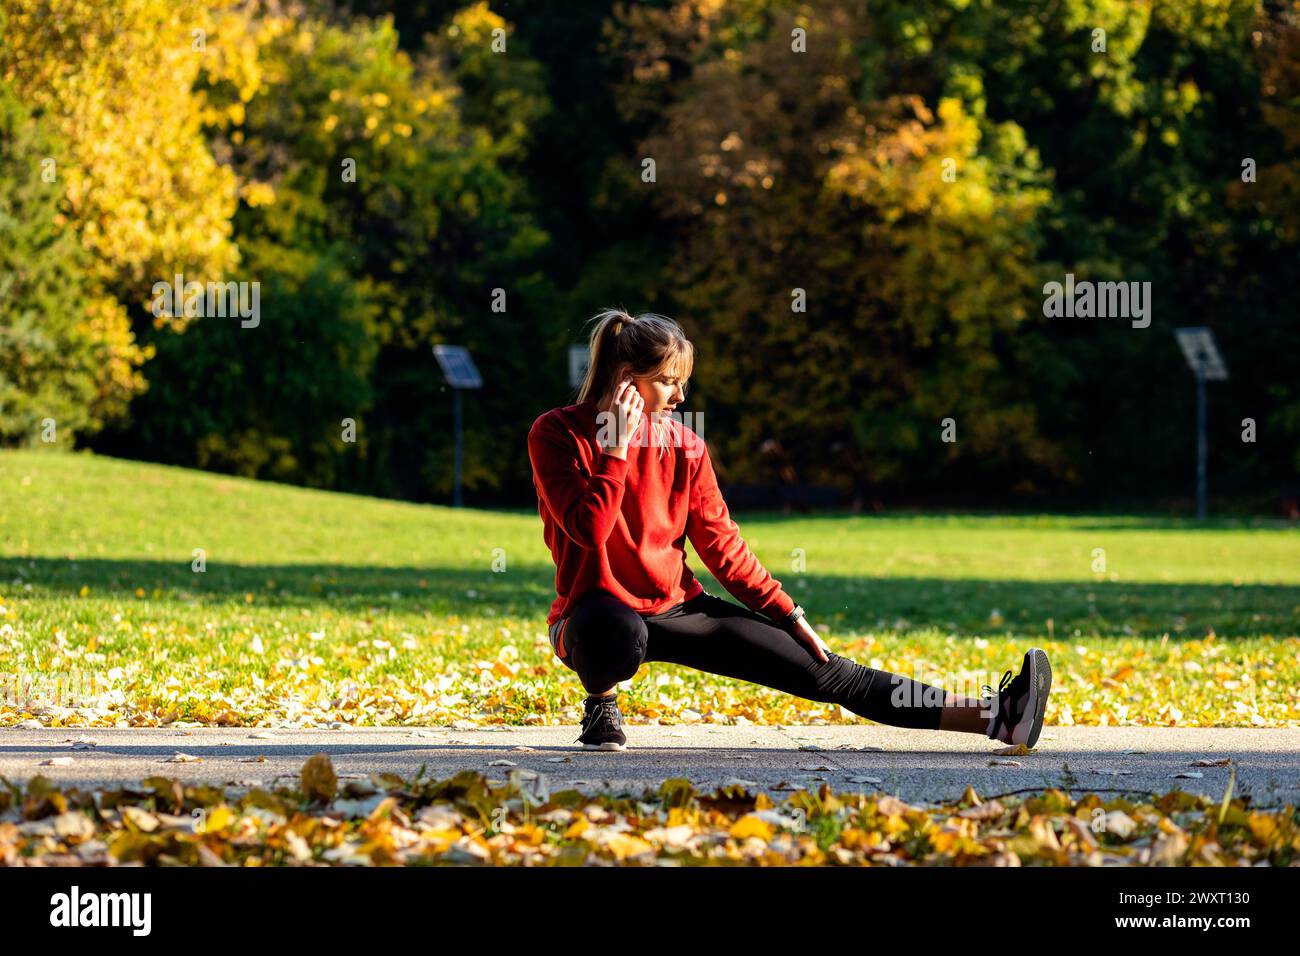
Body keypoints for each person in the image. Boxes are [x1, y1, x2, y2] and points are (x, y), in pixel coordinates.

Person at [526, 308, 1052, 751]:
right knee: (613, 630)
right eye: (667, 381)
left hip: (676, 608)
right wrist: (617, 446)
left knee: (825, 669)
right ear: (624, 377)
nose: (679, 398)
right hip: (592, 618)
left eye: (683, 383)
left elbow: (722, 544)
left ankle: (997, 717)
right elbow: (588, 529)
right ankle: (601, 707)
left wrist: (786, 612)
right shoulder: (557, 433)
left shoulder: (685, 446)